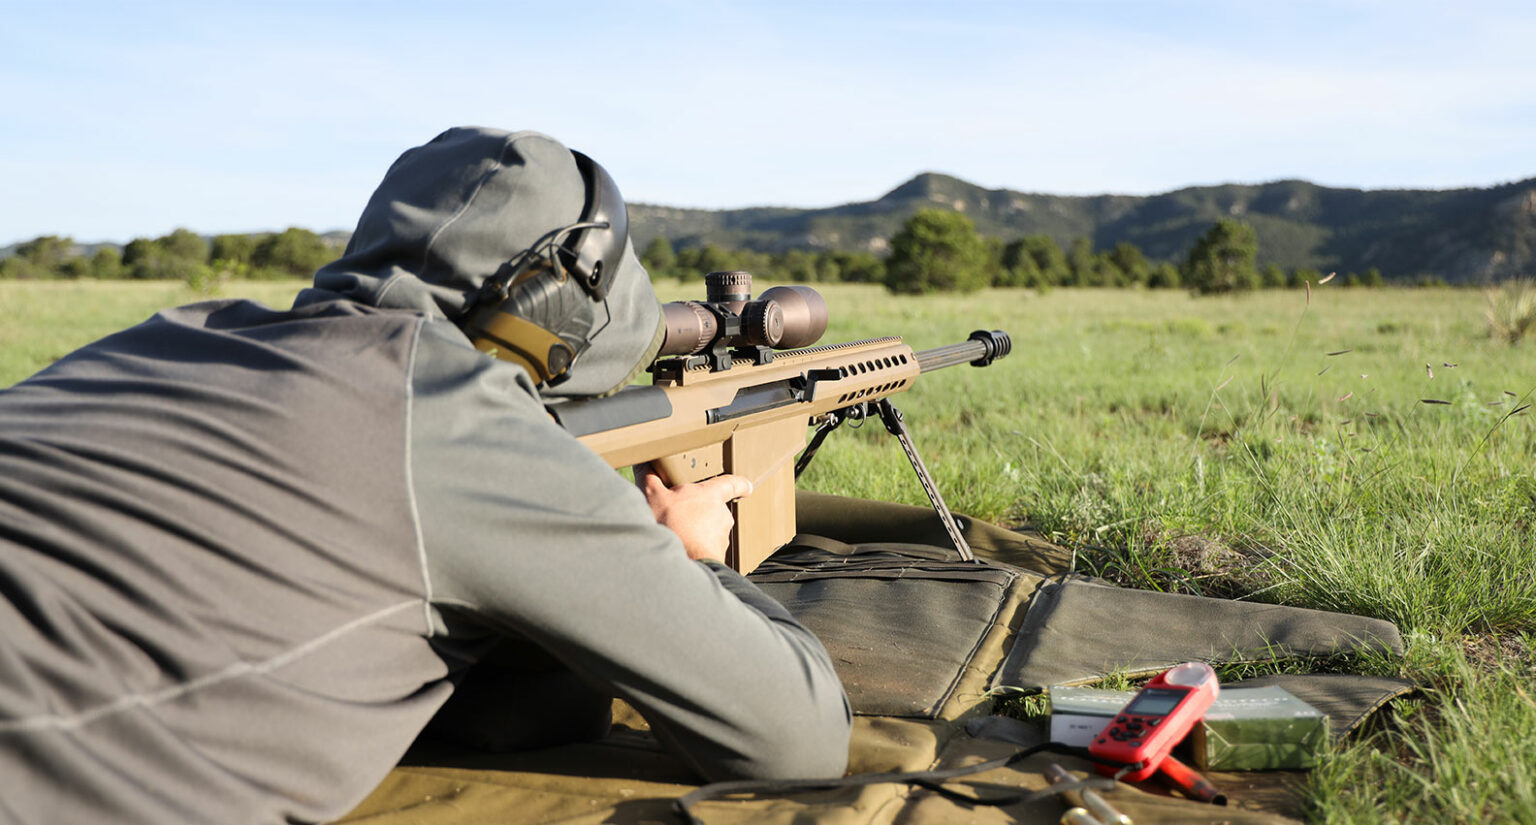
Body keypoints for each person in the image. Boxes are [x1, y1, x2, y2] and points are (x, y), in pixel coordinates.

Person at [0, 127, 852, 825]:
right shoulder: (451, 415)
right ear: (547, 312)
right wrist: (687, 557)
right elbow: (801, 738)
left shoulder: (168, 335)